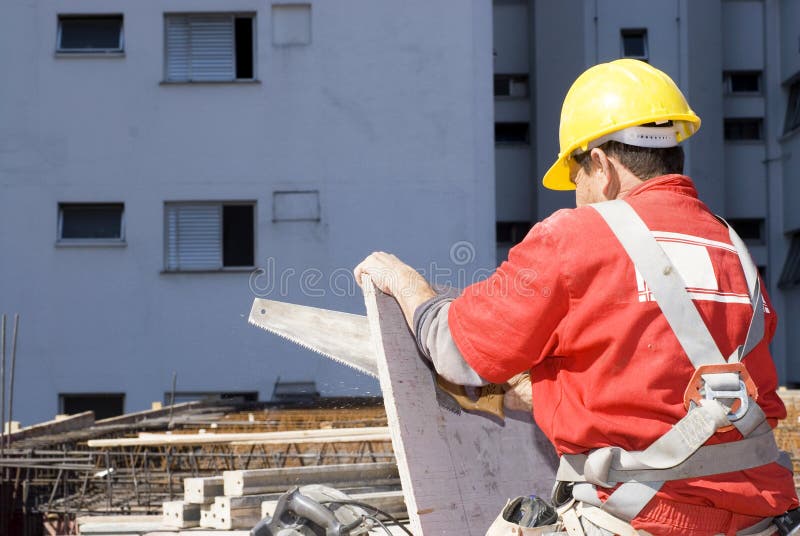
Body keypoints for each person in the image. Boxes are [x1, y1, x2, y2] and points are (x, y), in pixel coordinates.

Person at [354, 59, 798, 535]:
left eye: (576, 179)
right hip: (762, 522)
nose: (576, 196)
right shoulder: (730, 248)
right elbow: (665, 379)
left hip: (641, 517)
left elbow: (456, 352)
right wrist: (543, 390)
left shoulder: (576, 236)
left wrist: (404, 282)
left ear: (601, 166)